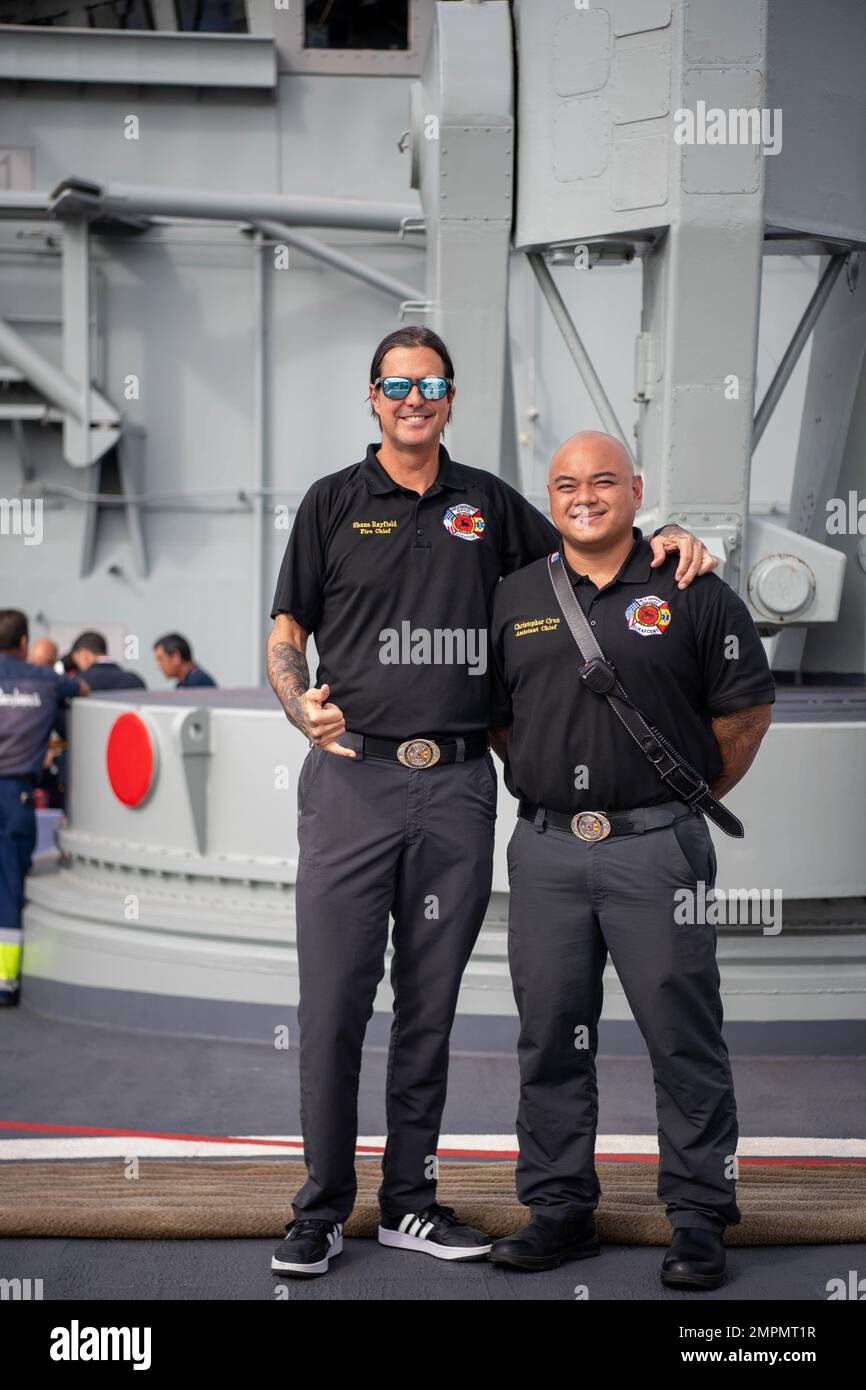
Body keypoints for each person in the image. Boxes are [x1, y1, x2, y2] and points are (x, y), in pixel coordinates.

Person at [265, 326, 715, 1277]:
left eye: (429, 383)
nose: (412, 397)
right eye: (395, 383)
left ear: (451, 397)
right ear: (374, 396)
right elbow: (286, 626)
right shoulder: (332, 503)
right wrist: (294, 696)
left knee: (428, 1006)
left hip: (461, 788)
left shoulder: (490, 505)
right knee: (334, 1005)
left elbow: (591, 537)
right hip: (353, 779)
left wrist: (668, 530)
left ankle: (410, 1203)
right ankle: (320, 1206)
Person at [486, 431, 775, 1288]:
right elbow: (504, 723)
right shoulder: (513, 596)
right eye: (567, 484)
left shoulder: (694, 585)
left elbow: (745, 716)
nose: (585, 496)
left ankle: (697, 1217)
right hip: (544, 851)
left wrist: (665, 801)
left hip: (657, 850)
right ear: (551, 495)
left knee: (682, 1037)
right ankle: (560, 1209)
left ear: (635, 489)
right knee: (549, 1039)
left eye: (603, 481)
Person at [0, 610, 90, 1005]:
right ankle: (4, 981)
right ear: (24, 642)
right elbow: (82, 690)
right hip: (14, 795)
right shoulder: (45, 680)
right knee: (7, 887)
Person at [69, 631, 146, 691]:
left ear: (85, 655)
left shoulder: (79, 683)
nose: (79, 667)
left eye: (77, 662)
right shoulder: (135, 680)